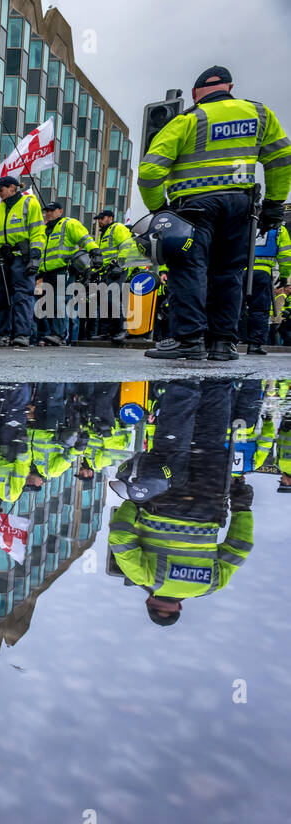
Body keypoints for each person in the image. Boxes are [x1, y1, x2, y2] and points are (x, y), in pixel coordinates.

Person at [140, 65, 291, 360]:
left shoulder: (187, 121)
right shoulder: (259, 114)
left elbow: (149, 172)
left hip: (194, 207)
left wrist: (160, 210)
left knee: (188, 268)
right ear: (229, 88)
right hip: (240, 205)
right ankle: (223, 343)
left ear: (196, 94)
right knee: (229, 272)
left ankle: (190, 340)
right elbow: (281, 160)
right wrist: (274, 205)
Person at [109, 380, 250, 624]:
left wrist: (241, 509)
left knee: (211, 440)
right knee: (173, 442)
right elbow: (121, 537)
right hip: (165, 500)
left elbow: (239, 547)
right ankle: (185, 379)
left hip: (208, 502)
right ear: (149, 603)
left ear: (179, 608)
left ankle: (220, 374)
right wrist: (135, 501)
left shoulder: (210, 585)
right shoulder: (145, 577)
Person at [0, 175, 43, 347]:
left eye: (1, 190)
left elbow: (37, 231)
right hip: (3, 260)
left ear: (12, 188)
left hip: (21, 258)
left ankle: (22, 334)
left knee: (22, 296)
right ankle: (2, 334)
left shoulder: (29, 203)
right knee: (2, 297)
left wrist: (35, 256)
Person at [37, 200, 99, 347]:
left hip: (63, 270)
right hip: (48, 272)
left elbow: (84, 238)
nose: (49, 213)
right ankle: (55, 333)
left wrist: (95, 251)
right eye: (47, 211)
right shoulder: (45, 229)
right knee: (50, 304)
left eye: (52, 210)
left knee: (60, 302)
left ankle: (60, 335)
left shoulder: (68, 224)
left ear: (60, 211)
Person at [242, 222, 291, 354]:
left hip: (240, 270)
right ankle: (254, 345)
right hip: (263, 272)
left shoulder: (244, 223)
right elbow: (286, 256)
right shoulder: (279, 229)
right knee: (259, 309)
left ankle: (226, 343)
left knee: (233, 307)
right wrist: (284, 275)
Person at [93, 208, 135, 341]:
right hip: (107, 271)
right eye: (98, 219)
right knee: (104, 300)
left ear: (110, 218)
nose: (99, 221)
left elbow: (126, 245)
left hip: (117, 269)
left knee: (113, 299)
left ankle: (121, 330)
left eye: (102, 218)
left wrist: (120, 265)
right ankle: (107, 332)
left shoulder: (118, 228)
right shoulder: (103, 234)